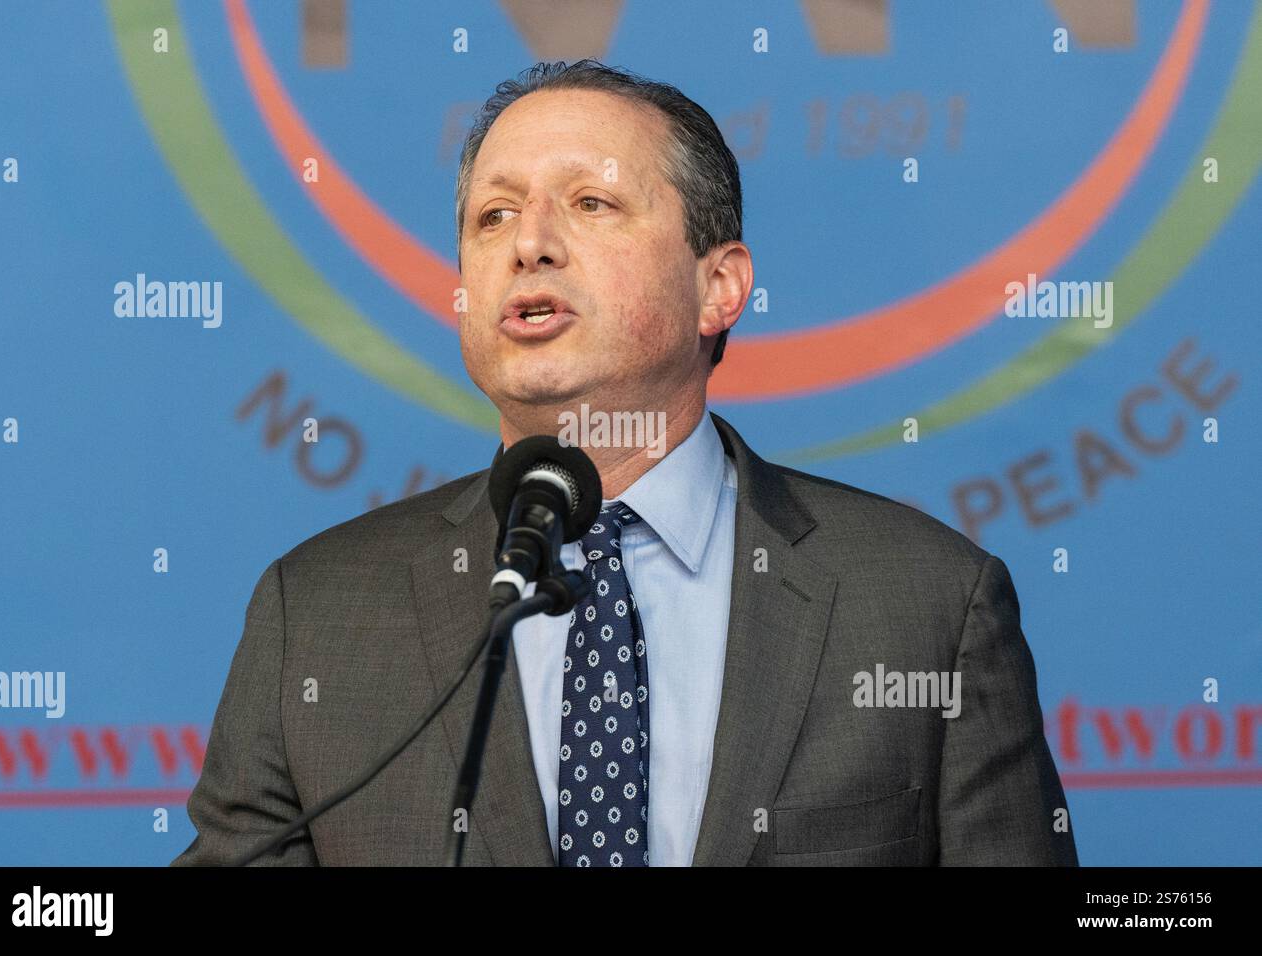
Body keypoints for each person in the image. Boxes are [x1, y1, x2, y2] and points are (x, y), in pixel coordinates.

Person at [173, 59, 1078, 867]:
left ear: (717, 286)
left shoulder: (925, 604)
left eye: (591, 202)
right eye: (493, 217)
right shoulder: (319, 614)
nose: (529, 242)